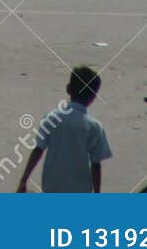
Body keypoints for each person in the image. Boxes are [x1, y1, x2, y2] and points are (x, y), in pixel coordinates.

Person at [17, 65, 112, 193]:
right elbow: (96, 164)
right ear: (93, 97)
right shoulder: (94, 127)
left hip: (51, 186)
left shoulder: (52, 118)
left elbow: (38, 150)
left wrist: (24, 180)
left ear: (68, 89)